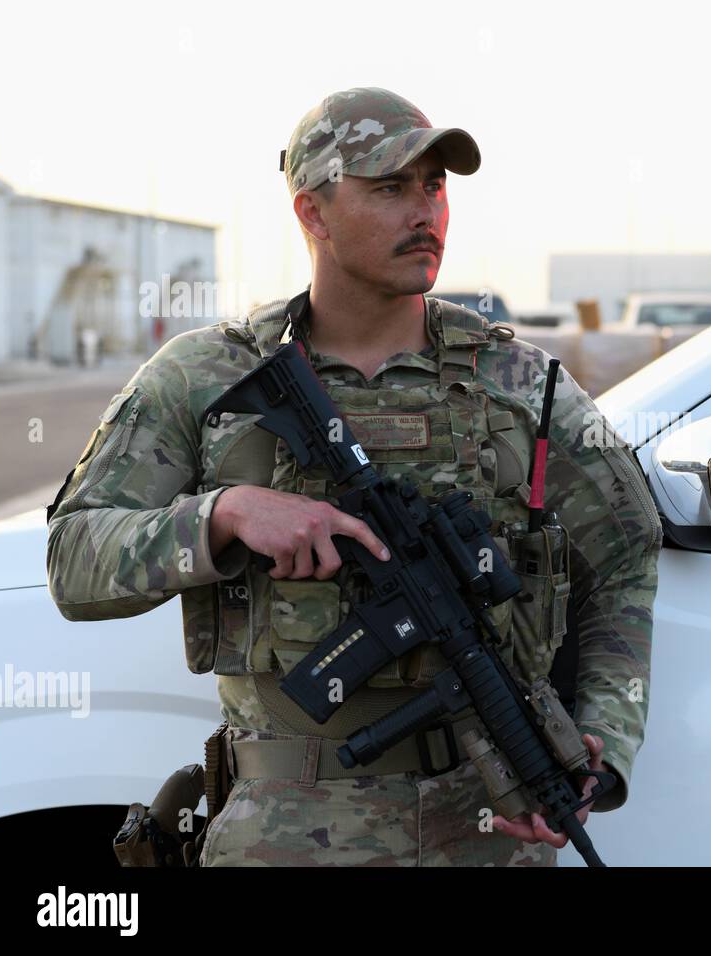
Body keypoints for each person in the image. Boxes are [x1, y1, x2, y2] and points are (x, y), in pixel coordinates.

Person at [45, 87, 662, 866]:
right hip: (287, 830)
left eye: (435, 186)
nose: (425, 212)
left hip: (489, 826)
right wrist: (225, 516)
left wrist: (603, 744)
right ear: (312, 212)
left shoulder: (522, 381)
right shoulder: (205, 376)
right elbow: (73, 558)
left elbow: (627, 558)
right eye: (390, 187)